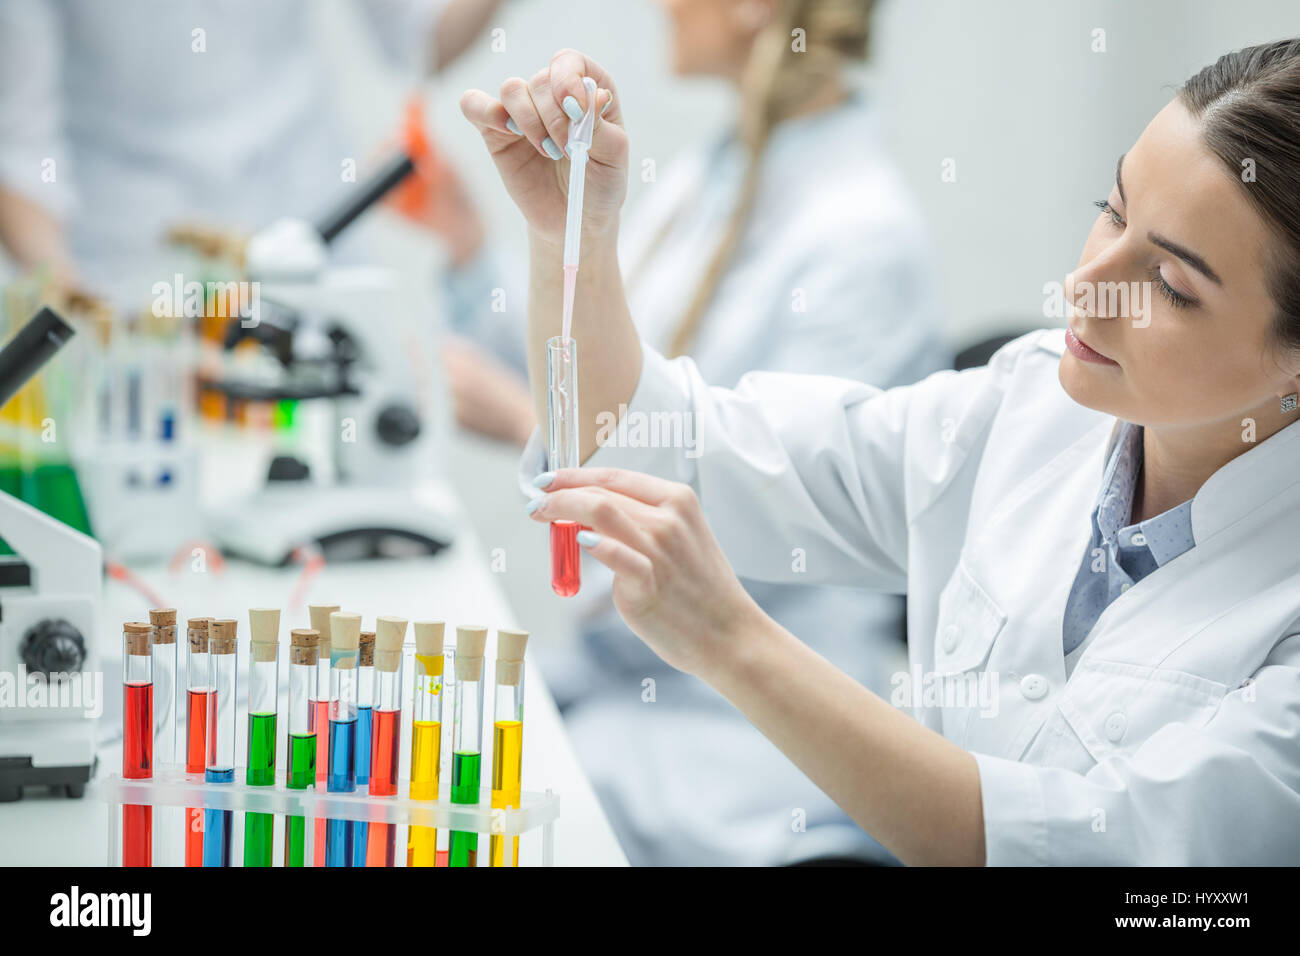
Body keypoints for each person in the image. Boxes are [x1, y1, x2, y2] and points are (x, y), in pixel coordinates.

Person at [459, 39, 1300, 864]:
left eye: (1169, 285)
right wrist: (569, 237)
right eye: (1111, 210)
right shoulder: (1025, 407)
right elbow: (661, 441)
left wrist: (730, 640)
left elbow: (1083, 851)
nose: (1084, 286)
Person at [437, 0, 948, 865]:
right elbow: (607, 380)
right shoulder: (713, 175)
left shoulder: (863, 239)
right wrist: (481, 249)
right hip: (628, 686)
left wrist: (544, 432)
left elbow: (768, 519)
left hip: (736, 744)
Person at [0, 0, 504, 300]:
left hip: (312, 237)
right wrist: (78, 318)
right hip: (131, 271)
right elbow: (19, 154)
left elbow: (422, 40)